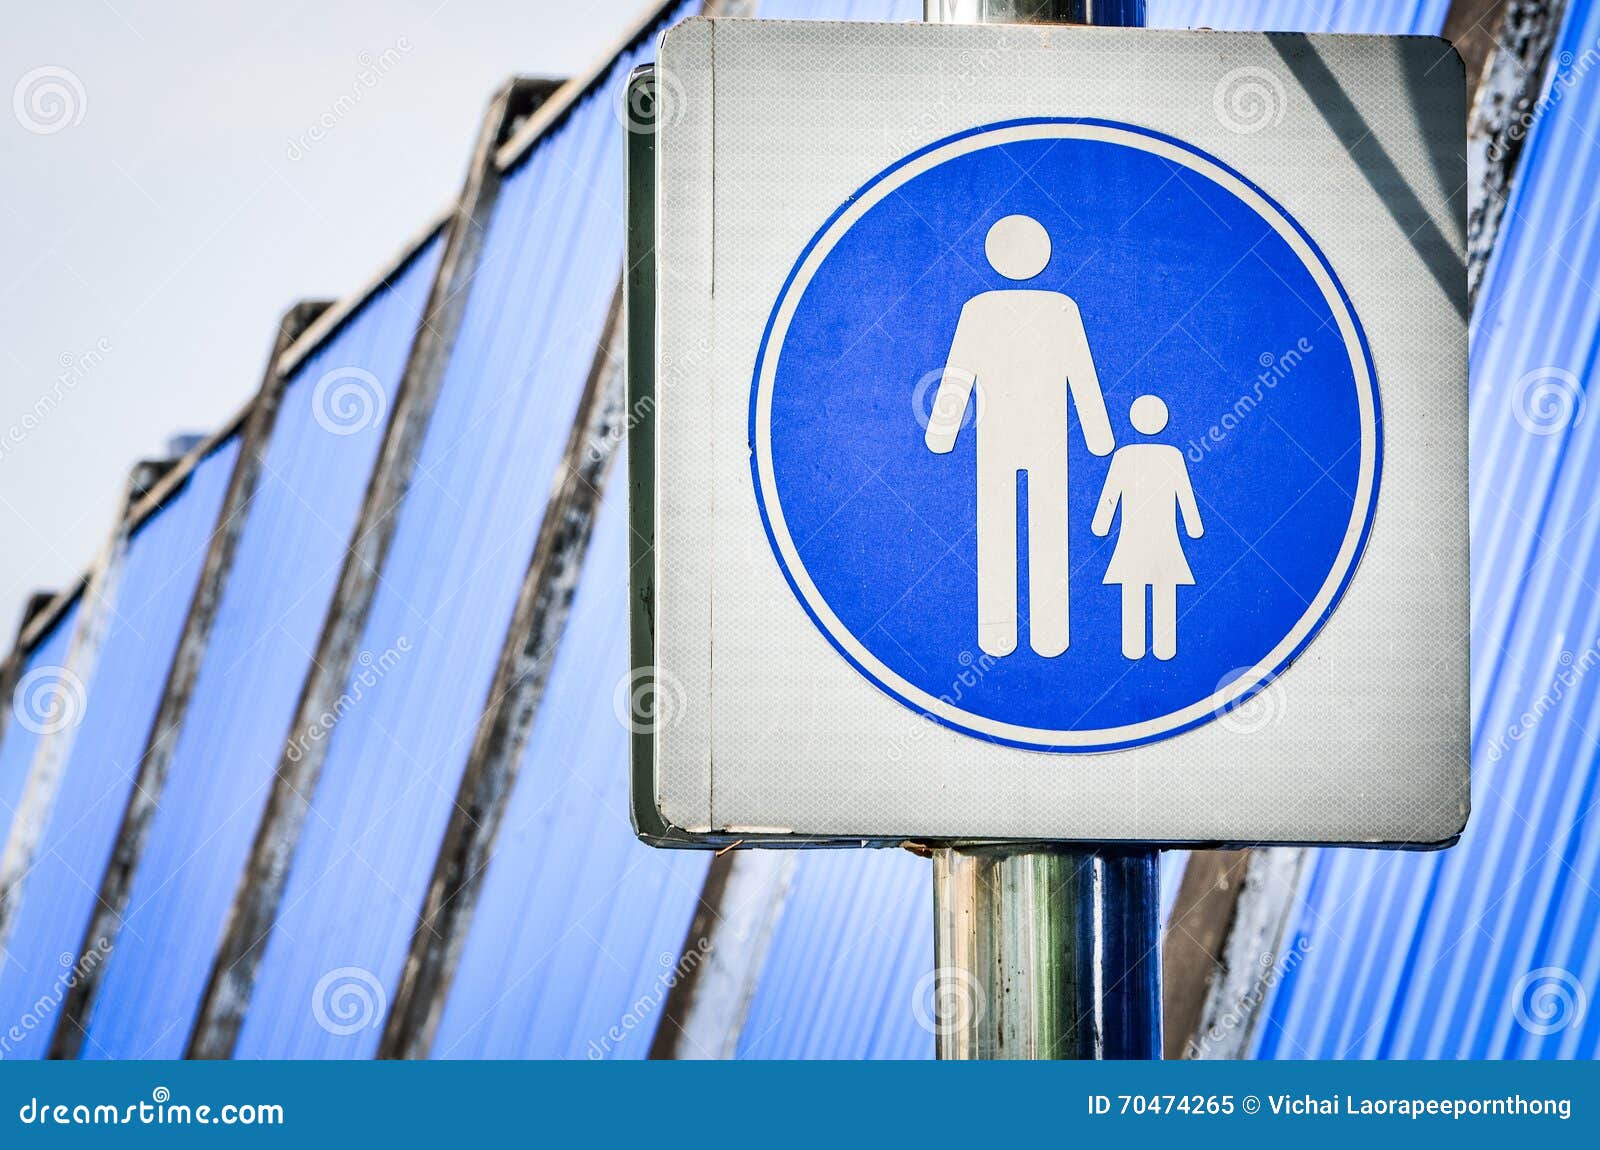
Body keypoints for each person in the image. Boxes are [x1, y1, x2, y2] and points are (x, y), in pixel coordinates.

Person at [925, 214, 1114, 659]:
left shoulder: (980, 309)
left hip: (1001, 438)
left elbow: (957, 377)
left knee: (997, 526)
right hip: (1043, 437)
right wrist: (1098, 435)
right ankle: (1049, 634)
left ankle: (1001, 633)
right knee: (1048, 525)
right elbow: (1083, 377)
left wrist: (942, 432)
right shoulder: (1060, 308)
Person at [1091, 394, 1204, 661]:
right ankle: (1164, 649)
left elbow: (1109, 499)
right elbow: (1185, 498)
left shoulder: (1124, 456)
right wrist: (1194, 528)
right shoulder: (1172, 456)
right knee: (1164, 587)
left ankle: (1134, 647)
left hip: (1134, 539)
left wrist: (1101, 526)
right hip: (1163, 538)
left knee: (1134, 587)